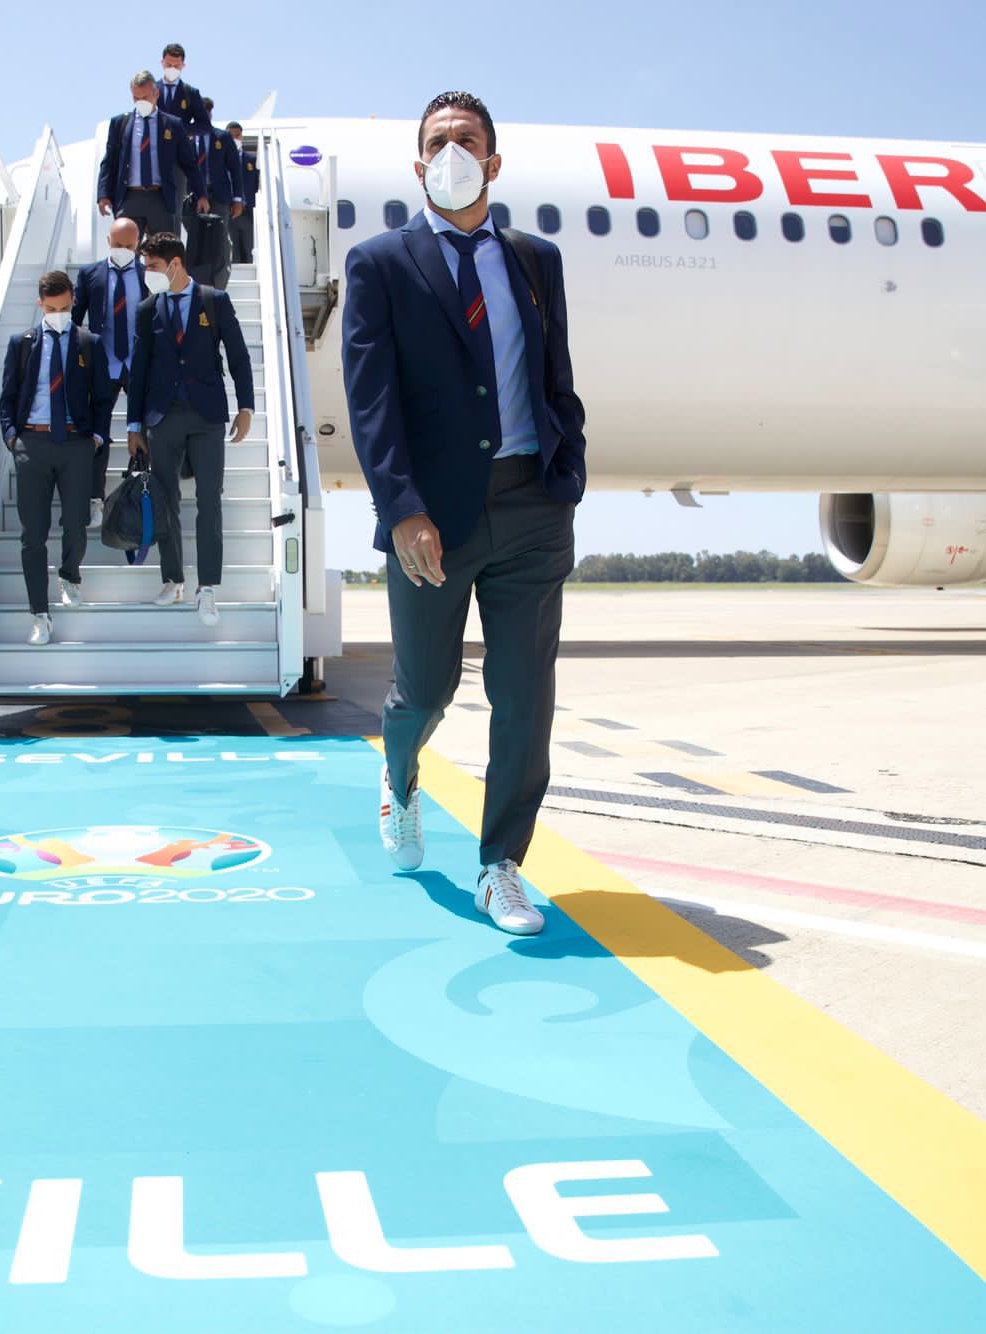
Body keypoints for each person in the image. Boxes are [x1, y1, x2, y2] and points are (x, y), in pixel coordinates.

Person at [340, 91, 587, 936]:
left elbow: (556, 380)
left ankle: (500, 866)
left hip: (532, 508)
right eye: (438, 141)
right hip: (432, 518)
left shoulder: (535, 260)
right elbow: (372, 404)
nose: (453, 152)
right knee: (425, 689)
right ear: (419, 166)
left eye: (467, 140)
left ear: (493, 161)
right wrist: (402, 507)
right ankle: (399, 774)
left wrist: (566, 474)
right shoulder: (380, 264)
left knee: (525, 699)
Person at [124, 232, 253, 628]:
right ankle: (173, 579)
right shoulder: (148, 309)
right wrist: (134, 424)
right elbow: (139, 368)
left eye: (152, 267)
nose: (147, 273)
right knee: (166, 501)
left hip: (207, 415)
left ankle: (207, 587)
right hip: (162, 417)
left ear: (175, 264)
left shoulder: (214, 301)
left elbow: (238, 354)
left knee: (209, 500)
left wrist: (246, 406)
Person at [0, 270, 113, 645]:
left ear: (73, 302)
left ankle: (69, 574)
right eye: (51, 309)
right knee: (33, 534)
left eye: (64, 308)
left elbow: (103, 397)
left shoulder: (89, 343)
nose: (59, 314)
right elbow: (7, 398)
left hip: (76, 443)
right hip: (32, 442)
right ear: (40, 305)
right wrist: (13, 438)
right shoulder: (21, 344)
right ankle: (39, 615)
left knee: (76, 521)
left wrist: (96, 437)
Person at [72, 217, 147, 524]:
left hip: (139, 362)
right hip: (104, 363)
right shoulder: (90, 274)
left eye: (130, 246)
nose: (123, 250)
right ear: (108, 241)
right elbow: (75, 318)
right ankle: (95, 498)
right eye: (118, 244)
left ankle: (146, 497)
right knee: (97, 431)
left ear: (138, 244)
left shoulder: (148, 273)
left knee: (146, 428)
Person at [97, 72, 206, 242]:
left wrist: (201, 194)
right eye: (136, 98)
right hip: (129, 198)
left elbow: (189, 163)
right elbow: (109, 162)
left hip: (160, 199)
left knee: (164, 250)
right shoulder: (120, 124)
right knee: (125, 250)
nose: (141, 102)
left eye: (145, 97)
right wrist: (103, 194)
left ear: (156, 93)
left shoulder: (173, 124)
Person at [185, 103, 243, 288]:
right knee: (195, 239)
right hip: (193, 196)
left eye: (207, 112)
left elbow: (235, 169)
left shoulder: (223, 137)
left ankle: (219, 283)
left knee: (220, 239)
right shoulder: (186, 137)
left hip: (218, 196)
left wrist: (238, 199)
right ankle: (194, 283)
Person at [155, 44, 208, 134]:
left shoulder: (191, 93)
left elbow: (205, 126)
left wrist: (180, 129)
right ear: (162, 62)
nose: (172, 68)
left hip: (180, 141)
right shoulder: (151, 89)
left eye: (176, 66)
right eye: (169, 65)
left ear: (183, 66)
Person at [226, 120, 259, 264]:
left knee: (250, 249)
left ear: (242, 136)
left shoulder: (252, 160)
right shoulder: (221, 160)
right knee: (232, 253)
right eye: (231, 136)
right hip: (228, 212)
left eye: (237, 135)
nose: (235, 139)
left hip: (247, 213)